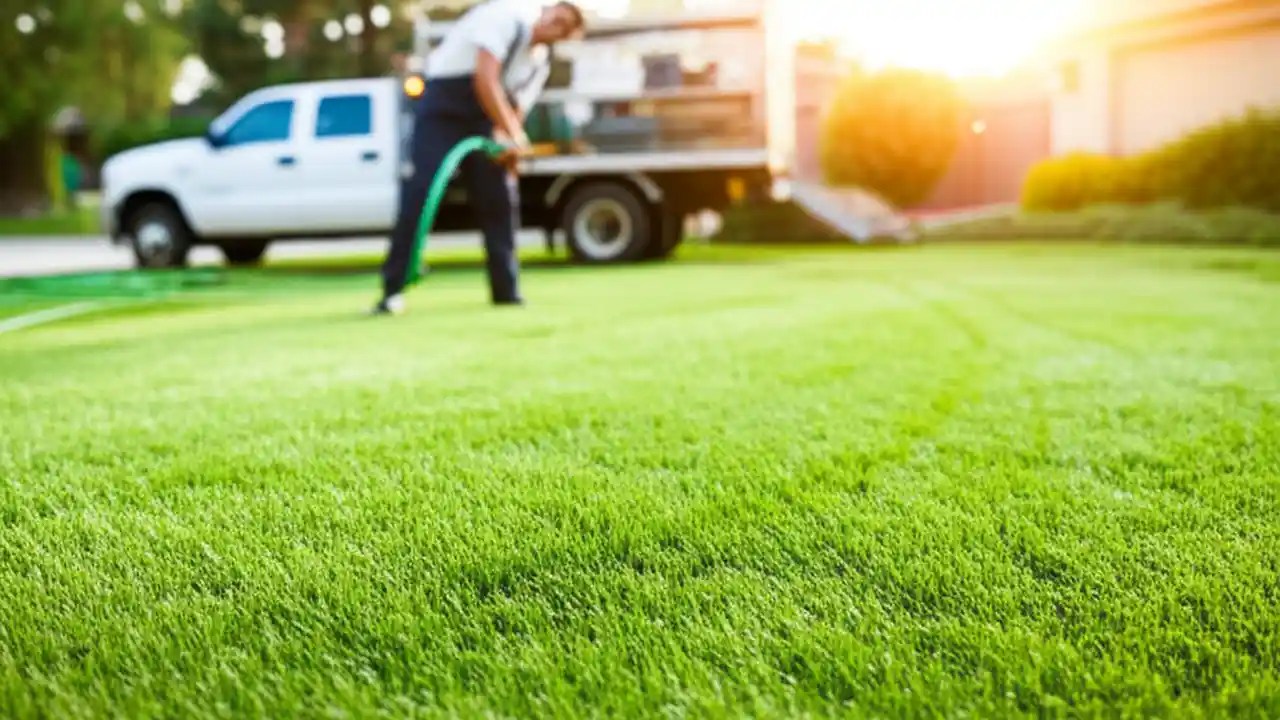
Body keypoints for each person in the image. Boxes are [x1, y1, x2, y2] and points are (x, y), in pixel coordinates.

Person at [374, 0, 586, 315]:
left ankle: (506, 290)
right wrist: (515, 134)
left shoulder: (539, 63)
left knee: (499, 197)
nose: (554, 25)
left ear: (565, 37)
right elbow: (485, 79)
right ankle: (393, 288)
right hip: (444, 106)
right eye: (555, 16)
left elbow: (515, 108)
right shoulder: (505, 16)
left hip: (487, 117)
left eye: (563, 27)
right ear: (546, 10)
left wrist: (509, 146)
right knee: (421, 191)